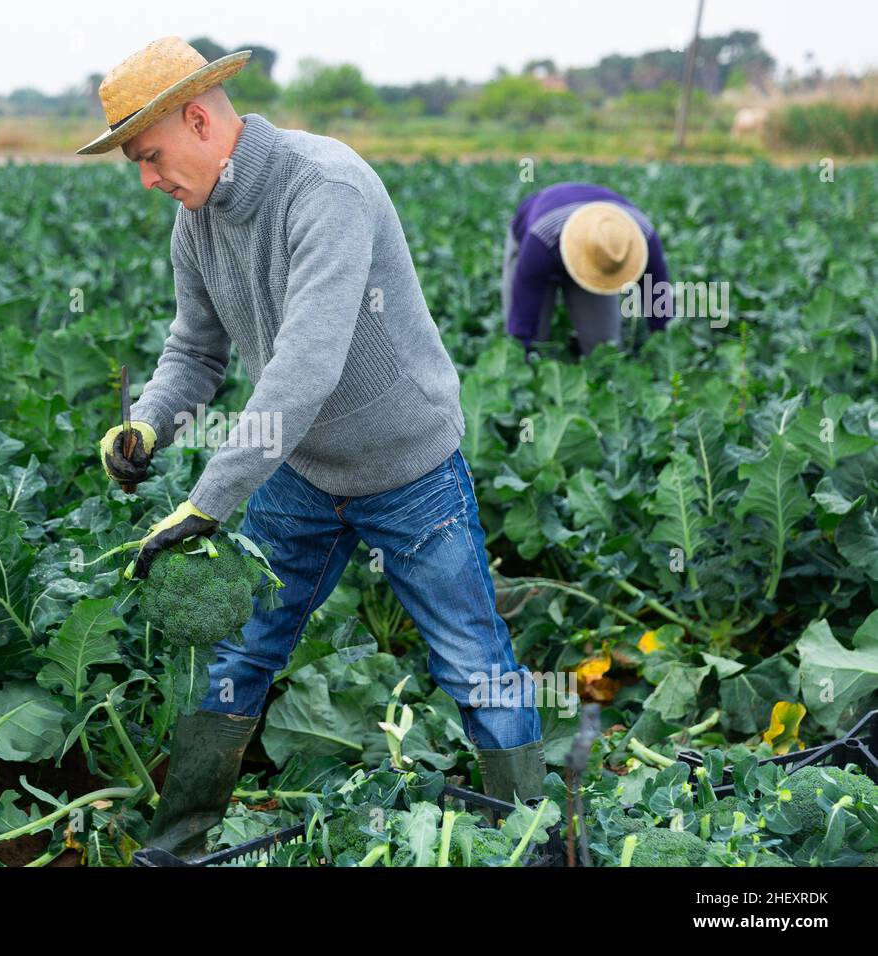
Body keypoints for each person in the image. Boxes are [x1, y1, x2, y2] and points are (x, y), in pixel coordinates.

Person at [84, 37, 545, 860]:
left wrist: (209, 500)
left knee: (472, 656)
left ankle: (535, 840)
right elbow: (194, 351)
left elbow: (308, 361)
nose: (148, 178)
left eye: (150, 156)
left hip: (408, 467)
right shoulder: (196, 225)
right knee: (242, 644)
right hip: (299, 471)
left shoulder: (323, 186)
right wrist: (148, 424)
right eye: (136, 163)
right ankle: (179, 845)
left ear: (198, 120)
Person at [502, 182, 672, 356]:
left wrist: (666, 352)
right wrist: (524, 354)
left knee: (603, 348)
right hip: (538, 239)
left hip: (579, 242)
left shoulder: (643, 238)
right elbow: (522, 320)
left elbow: (660, 307)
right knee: (534, 339)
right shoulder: (541, 241)